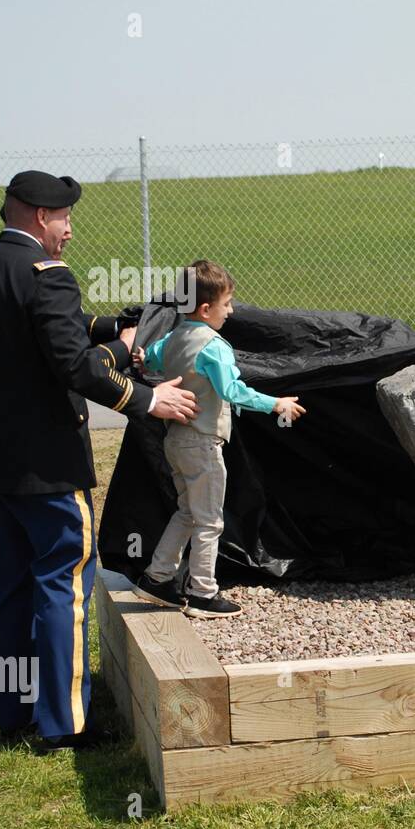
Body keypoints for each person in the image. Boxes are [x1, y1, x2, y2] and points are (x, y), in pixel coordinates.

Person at [0, 170, 198, 747]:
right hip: (49, 469)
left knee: (9, 587)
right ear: (40, 216)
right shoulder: (48, 276)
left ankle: (17, 715)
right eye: (64, 220)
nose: (69, 231)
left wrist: (115, 332)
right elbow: (71, 365)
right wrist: (148, 398)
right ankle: (65, 724)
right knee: (63, 583)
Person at [132, 261, 306, 619]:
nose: (231, 310)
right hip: (203, 443)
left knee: (187, 512)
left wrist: (139, 355)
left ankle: (157, 578)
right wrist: (276, 403)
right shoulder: (214, 346)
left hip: (176, 441)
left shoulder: (174, 336)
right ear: (206, 308)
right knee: (210, 520)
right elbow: (232, 390)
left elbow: (150, 359)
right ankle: (202, 593)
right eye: (227, 304)